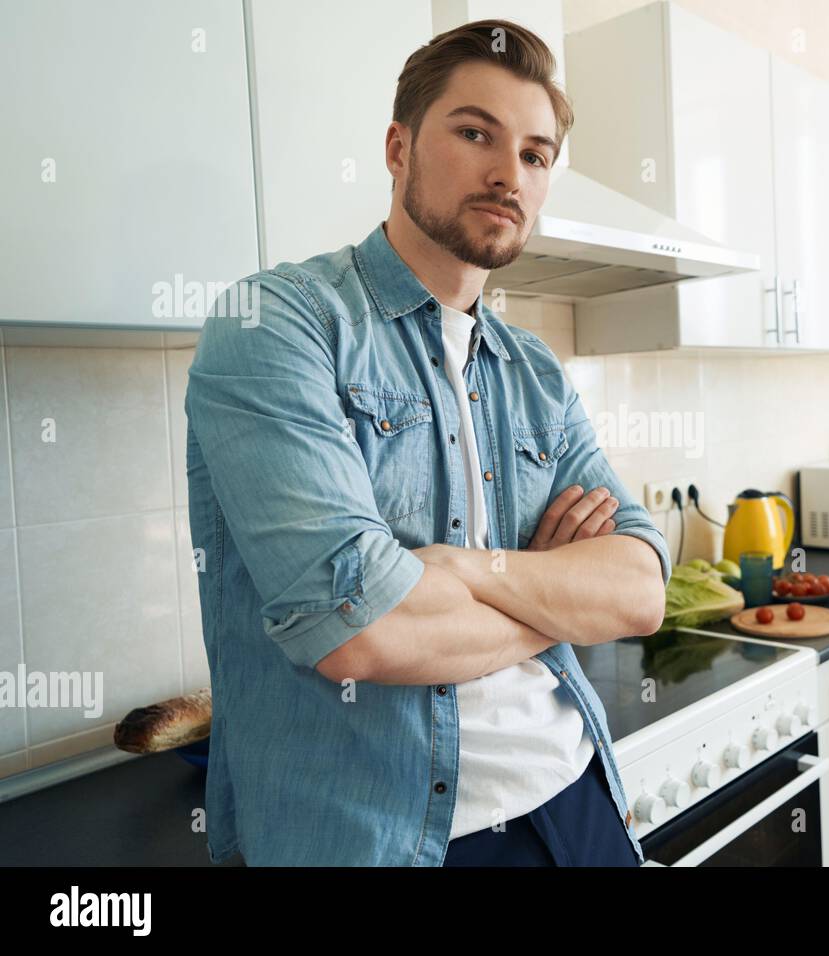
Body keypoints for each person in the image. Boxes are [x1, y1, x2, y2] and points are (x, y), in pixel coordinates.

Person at [184, 20, 670, 866]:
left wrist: (461, 571)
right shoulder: (277, 323)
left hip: (579, 797)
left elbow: (637, 593)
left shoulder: (535, 372)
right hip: (387, 838)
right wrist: (550, 603)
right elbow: (360, 632)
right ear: (398, 146)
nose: (506, 174)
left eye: (535, 154)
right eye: (475, 132)